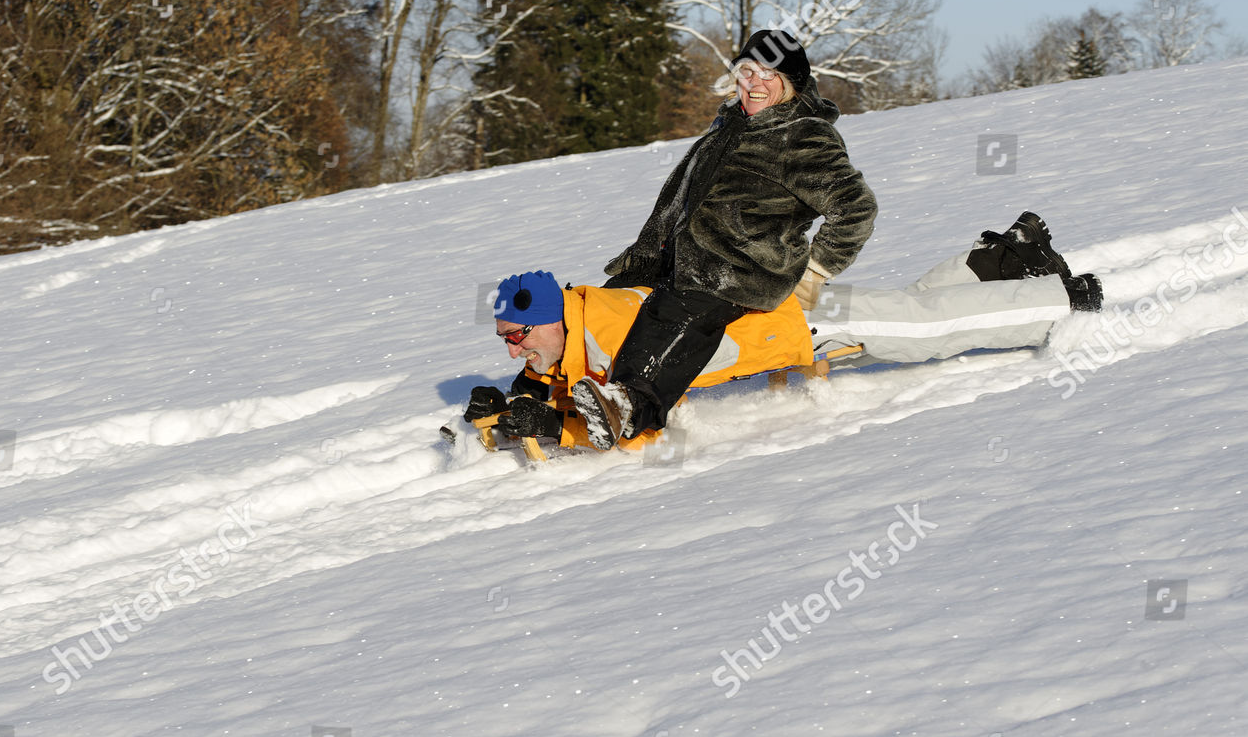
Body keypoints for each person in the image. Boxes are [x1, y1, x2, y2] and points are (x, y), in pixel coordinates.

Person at [468, 212, 1103, 453]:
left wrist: (555, 426)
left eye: (519, 335)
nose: (515, 348)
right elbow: (554, 378)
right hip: (784, 309)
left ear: (552, 318)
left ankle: (1060, 299)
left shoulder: (612, 332)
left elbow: (633, 422)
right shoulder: (572, 330)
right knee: (910, 306)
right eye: (505, 338)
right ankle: (1005, 259)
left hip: (797, 324)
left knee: (926, 329)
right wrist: (508, 405)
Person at [575, 29, 878, 450]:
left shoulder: (804, 135)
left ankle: (629, 407)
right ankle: (539, 398)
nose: (753, 83)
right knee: (604, 305)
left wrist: (816, 269)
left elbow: (856, 208)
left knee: (677, 310)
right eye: (746, 71)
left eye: (768, 75)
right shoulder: (732, 123)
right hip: (680, 255)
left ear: (790, 84)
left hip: (744, 267)